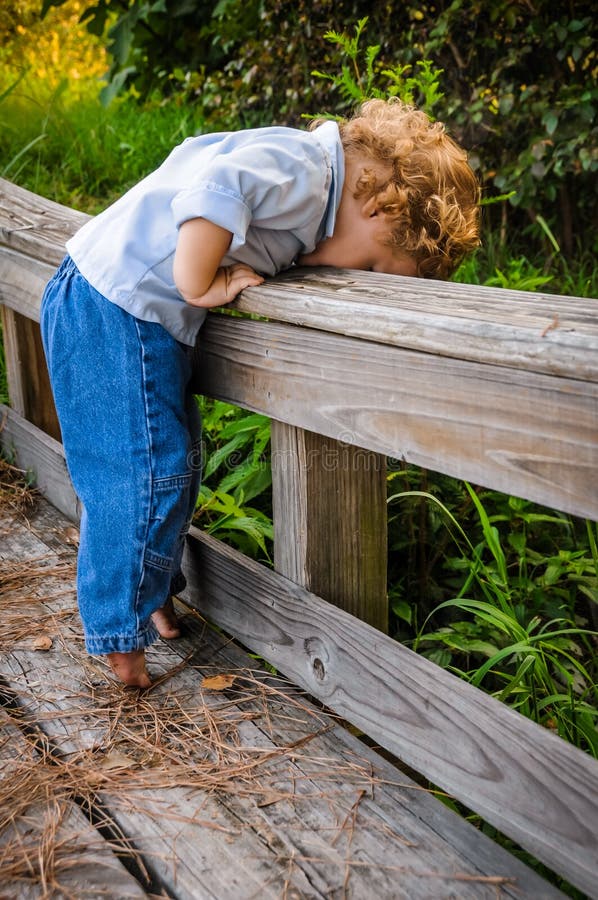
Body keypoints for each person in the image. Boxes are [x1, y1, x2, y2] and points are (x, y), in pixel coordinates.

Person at [40, 98, 480, 688]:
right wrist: (202, 279)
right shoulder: (306, 172)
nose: (359, 280)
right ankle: (118, 637)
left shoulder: (310, 179)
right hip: (118, 310)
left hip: (114, 305)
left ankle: (149, 597)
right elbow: (216, 185)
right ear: (377, 208)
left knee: (175, 463)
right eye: (375, 269)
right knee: (143, 473)